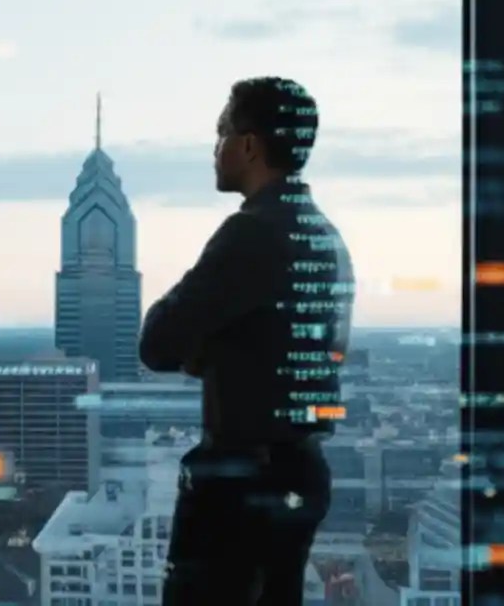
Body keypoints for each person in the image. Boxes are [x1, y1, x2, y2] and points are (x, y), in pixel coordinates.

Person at [140, 77, 355, 605]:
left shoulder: (251, 232)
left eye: (222, 134)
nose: (215, 149)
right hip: (299, 472)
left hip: (239, 485)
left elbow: (159, 342)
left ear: (251, 145)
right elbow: (313, 354)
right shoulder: (323, 234)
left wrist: (208, 350)